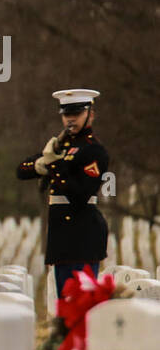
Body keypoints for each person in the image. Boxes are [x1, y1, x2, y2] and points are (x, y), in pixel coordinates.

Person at [16, 88, 109, 300]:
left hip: (83, 236)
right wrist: (40, 164)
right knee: (65, 306)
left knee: (80, 306)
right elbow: (21, 170)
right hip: (61, 240)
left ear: (90, 114)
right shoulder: (60, 146)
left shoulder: (94, 151)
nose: (70, 120)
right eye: (67, 115)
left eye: (76, 114)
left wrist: (54, 165)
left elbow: (81, 194)